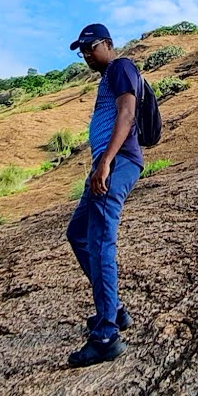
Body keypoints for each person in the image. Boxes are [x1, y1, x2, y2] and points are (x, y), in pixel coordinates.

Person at [64, 21, 140, 367]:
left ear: (107, 44)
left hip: (118, 161)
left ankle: (107, 334)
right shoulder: (105, 79)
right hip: (104, 165)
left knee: (100, 242)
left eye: (90, 47)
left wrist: (106, 161)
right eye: (82, 51)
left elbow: (127, 113)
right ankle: (114, 310)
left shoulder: (121, 66)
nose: (86, 55)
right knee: (78, 233)